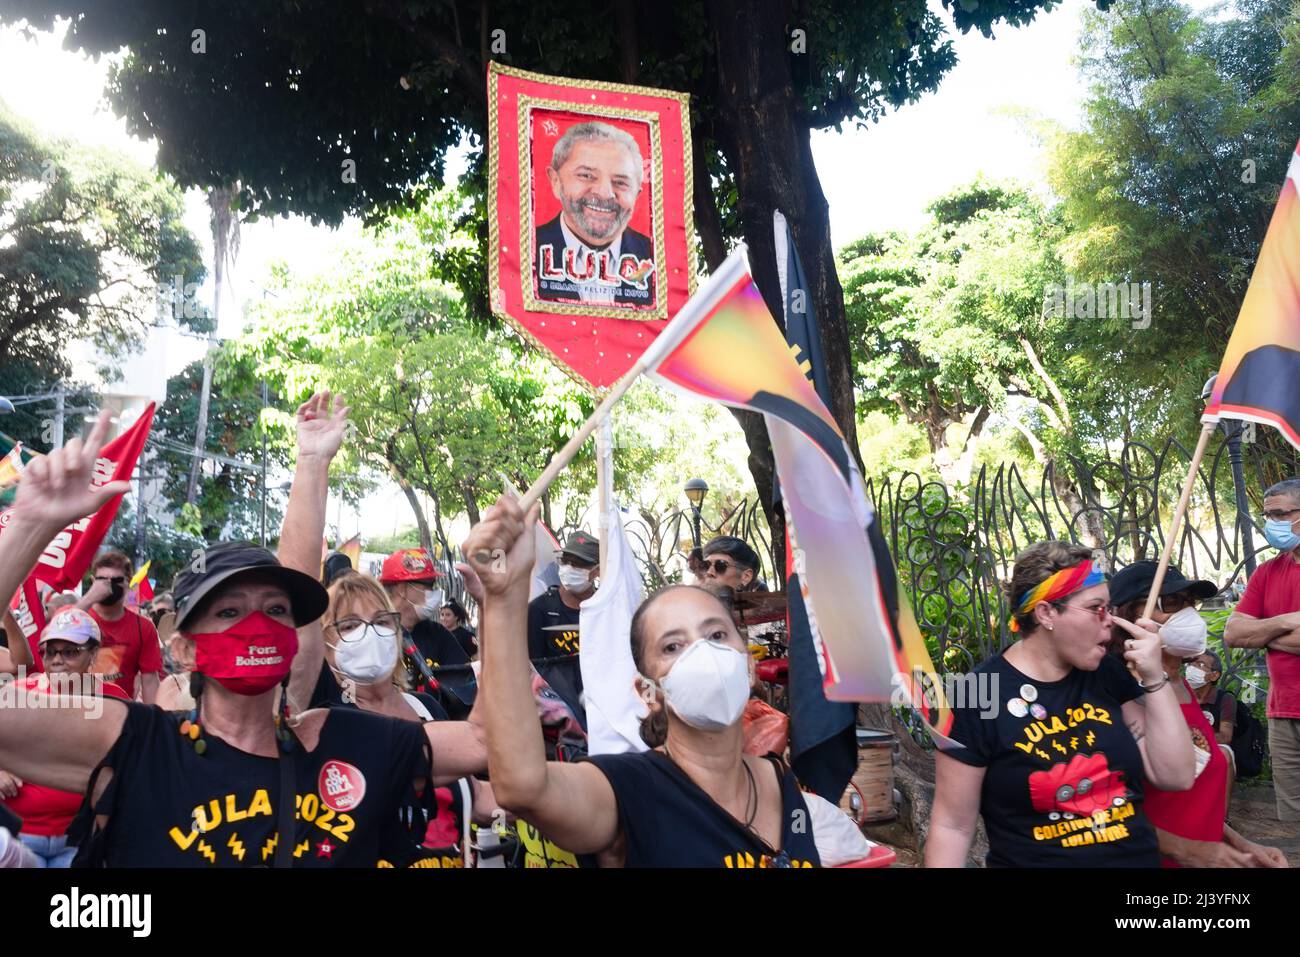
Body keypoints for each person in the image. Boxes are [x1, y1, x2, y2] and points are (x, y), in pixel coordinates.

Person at [0, 393, 487, 867]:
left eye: (275, 611)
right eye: (229, 613)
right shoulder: (138, 744)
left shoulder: (347, 741)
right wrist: (29, 528)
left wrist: (500, 605)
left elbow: (489, 745)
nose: (257, 626)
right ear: (184, 649)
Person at [465, 495, 873, 867]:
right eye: (673, 646)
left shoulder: (779, 782)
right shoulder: (629, 790)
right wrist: (503, 602)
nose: (703, 654)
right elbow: (522, 787)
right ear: (647, 692)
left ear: (747, 666)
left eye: (715, 635)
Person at [926, 541, 1195, 868]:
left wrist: (1155, 677)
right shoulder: (977, 693)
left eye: (1109, 608)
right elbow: (951, 825)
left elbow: (1177, 775)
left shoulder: (1106, 674)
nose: (1109, 620)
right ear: (1046, 613)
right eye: (1097, 608)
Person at [1109, 562, 1286, 867]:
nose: (1188, 614)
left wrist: (1242, 846)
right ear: (1128, 615)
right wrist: (1189, 851)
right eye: (1172, 603)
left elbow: (1192, 801)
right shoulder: (1117, 695)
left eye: (1191, 602)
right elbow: (1105, 812)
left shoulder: (1181, 685)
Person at [319, 572, 495, 867]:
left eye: (381, 621)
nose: (370, 634)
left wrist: (491, 606)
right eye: (350, 626)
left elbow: (478, 797)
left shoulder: (425, 707)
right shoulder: (327, 722)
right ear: (325, 645)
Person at [0, 608, 128, 867]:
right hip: (19, 837)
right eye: (50, 651)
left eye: (70, 652)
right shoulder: (15, 695)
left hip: (79, 840)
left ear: (93, 654)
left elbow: (133, 762)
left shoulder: (114, 701)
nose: (57, 660)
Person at [1224, 477, 1300, 823]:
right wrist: (1288, 621)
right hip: (1282, 713)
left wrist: (1264, 632)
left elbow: (1250, 632)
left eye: (1281, 514)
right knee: (1292, 822)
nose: (1272, 524)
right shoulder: (1268, 572)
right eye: (1268, 516)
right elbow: (1234, 633)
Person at [535, 121, 654, 307]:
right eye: (586, 175)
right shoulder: (528, 249)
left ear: (637, 194)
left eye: (621, 182)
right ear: (556, 181)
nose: (605, 193)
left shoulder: (655, 258)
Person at [377, 548, 471, 701]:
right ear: (402, 589)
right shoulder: (374, 633)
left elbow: (466, 681)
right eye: (428, 585)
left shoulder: (437, 633)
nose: (434, 592)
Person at [79, 550, 162, 703]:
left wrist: (154, 722)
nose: (109, 585)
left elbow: (150, 681)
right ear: (92, 581)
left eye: (116, 580)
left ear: (128, 582)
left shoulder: (143, 628)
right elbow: (56, 632)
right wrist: (89, 598)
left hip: (120, 715)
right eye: (102, 580)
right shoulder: (78, 616)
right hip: (77, 711)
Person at [526, 530, 599, 659]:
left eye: (578, 563)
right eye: (565, 561)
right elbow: (533, 667)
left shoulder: (606, 610)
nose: (569, 568)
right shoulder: (539, 609)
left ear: (597, 570)